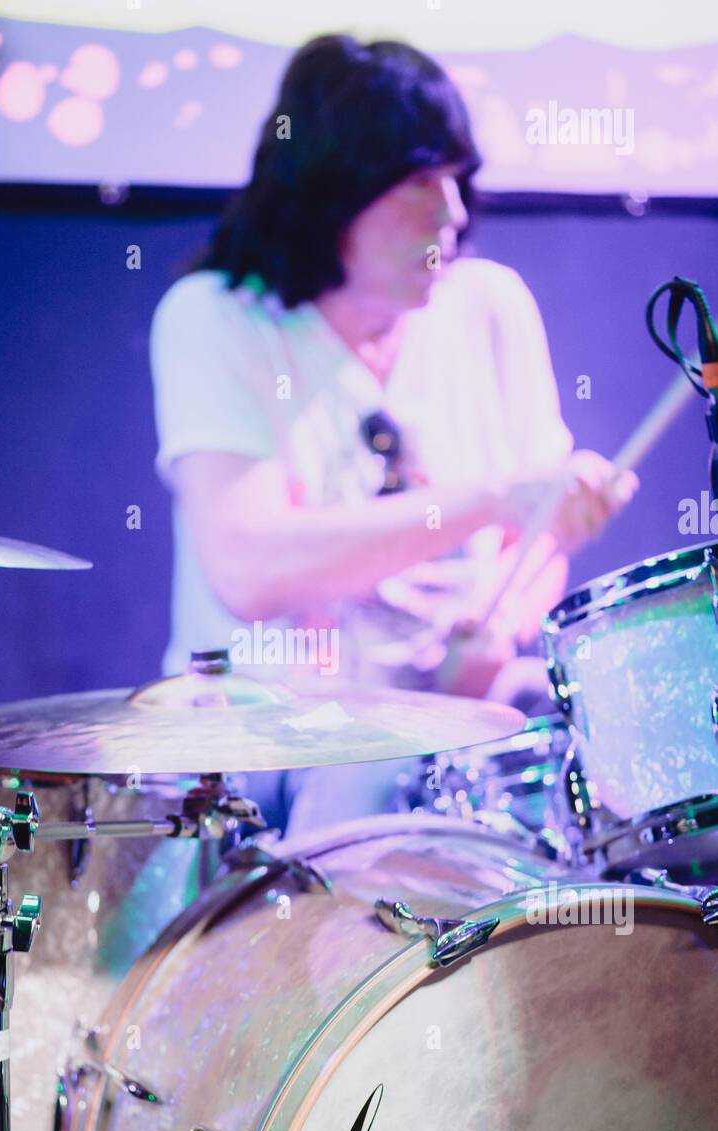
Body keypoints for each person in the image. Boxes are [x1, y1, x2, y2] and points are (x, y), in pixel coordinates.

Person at [149, 34, 636, 831]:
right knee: (366, 780)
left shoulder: (490, 304)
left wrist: (501, 621)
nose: (451, 213)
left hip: (450, 713)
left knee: (606, 735)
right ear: (333, 191)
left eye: (456, 181)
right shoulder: (216, 318)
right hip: (266, 733)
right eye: (418, 182)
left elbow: (537, 535)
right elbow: (249, 566)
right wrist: (497, 499)